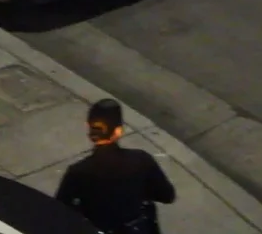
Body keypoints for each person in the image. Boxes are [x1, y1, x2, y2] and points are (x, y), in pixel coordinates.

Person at [56, 99, 176, 233]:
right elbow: (168, 196)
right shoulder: (141, 160)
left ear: (89, 127)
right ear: (118, 131)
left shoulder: (77, 172)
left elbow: (59, 213)